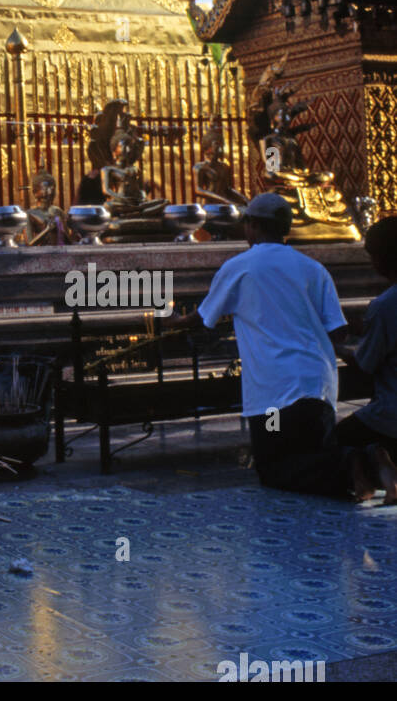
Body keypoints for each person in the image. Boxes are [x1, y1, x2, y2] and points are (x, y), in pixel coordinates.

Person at [168, 193, 397, 502]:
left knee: (273, 467)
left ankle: (357, 460)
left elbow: (203, 318)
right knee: (314, 455)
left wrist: (173, 321)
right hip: (318, 387)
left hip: (273, 396)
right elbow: (339, 333)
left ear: (251, 225)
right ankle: (364, 465)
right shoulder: (314, 269)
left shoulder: (240, 267)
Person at [334, 216, 397, 455]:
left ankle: (379, 466)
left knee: (333, 442)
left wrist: (334, 348)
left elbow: (364, 365)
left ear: (380, 260)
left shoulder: (384, 305)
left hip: (391, 415)